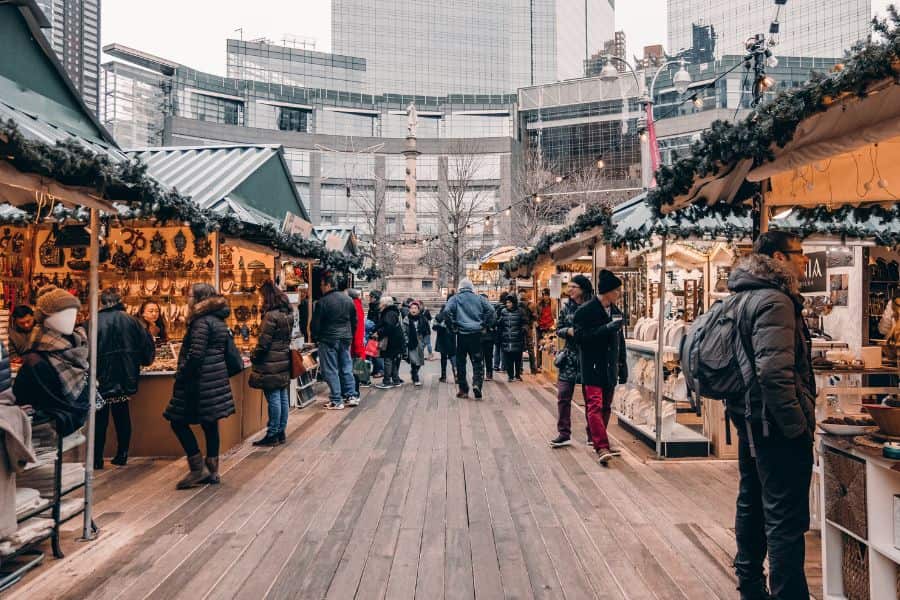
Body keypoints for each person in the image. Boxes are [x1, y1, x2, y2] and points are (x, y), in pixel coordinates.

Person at [726, 231, 815, 600]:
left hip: (749, 418)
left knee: (753, 501)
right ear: (779, 257)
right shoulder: (775, 301)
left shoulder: (744, 295)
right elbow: (774, 373)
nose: (803, 260)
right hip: (774, 423)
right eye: (799, 253)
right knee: (785, 518)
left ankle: (749, 582)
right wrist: (796, 425)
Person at [164, 284, 235, 488]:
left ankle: (197, 469)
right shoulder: (218, 320)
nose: (188, 299)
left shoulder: (201, 322)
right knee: (210, 423)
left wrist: (181, 374)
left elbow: (196, 355)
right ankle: (212, 470)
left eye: (190, 296)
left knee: (176, 421)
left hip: (199, 381)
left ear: (199, 298)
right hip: (214, 379)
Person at [13, 286, 90, 437]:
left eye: (73, 313)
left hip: (68, 427)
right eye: (63, 314)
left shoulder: (76, 346)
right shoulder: (36, 359)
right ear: (44, 318)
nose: (71, 319)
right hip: (49, 430)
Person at [94, 289, 155, 469]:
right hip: (124, 375)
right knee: (122, 414)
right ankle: (122, 454)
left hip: (100, 377)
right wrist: (142, 361)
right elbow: (146, 351)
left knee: (100, 418)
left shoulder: (93, 322)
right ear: (120, 301)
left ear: (102, 303)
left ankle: (97, 458)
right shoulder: (132, 322)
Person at [573, 270, 628, 466]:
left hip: (610, 367)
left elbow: (619, 341)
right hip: (593, 366)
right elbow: (579, 338)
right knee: (594, 406)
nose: (619, 294)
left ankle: (600, 438)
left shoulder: (616, 312)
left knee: (605, 406)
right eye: (616, 291)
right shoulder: (585, 311)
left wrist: (623, 365)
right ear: (608, 292)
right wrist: (605, 330)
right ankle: (601, 445)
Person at [250, 281, 294, 446]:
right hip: (282, 359)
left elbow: (264, 343)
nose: (260, 300)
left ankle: (273, 433)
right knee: (281, 396)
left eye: (262, 297)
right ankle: (280, 431)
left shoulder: (270, 316)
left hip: (270, 362)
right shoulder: (287, 313)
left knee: (274, 397)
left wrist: (254, 356)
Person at [549, 275, 591, 448]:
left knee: (591, 399)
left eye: (574, 286)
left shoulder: (592, 307)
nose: (570, 289)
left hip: (588, 358)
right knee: (563, 396)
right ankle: (564, 433)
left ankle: (592, 434)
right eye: (569, 286)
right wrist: (568, 331)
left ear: (582, 288)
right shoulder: (567, 308)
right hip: (569, 358)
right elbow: (558, 329)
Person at [310, 273, 359, 409]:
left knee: (330, 369)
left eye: (321, 285)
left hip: (328, 339)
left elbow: (316, 324)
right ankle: (351, 395)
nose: (320, 287)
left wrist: (316, 337)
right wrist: (350, 335)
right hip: (345, 338)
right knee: (346, 367)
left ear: (327, 285)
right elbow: (354, 321)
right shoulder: (348, 300)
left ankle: (336, 399)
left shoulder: (323, 302)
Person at [442, 278, 495, 399]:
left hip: (462, 334)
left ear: (460, 288)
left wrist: (452, 326)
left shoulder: (455, 298)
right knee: (477, 361)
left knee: (461, 363)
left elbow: (446, 312)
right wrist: (485, 324)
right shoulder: (479, 298)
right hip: (476, 334)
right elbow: (491, 311)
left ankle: (463, 389)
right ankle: (477, 384)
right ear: (471, 288)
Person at [373, 296, 404, 389]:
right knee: (392, 360)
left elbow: (388, 327)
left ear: (385, 304)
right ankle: (396, 380)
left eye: (381, 303)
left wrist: (378, 332)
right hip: (395, 339)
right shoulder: (392, 312)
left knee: (388, 359)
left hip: (391, 340)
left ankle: (387, 381)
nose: (379, 304)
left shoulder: (389, 313)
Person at [497, 295, 525, 381]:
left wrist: (523, 330)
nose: (507, 304)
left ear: (514, 303)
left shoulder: (520, 311)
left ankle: (517, 375)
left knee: (517, 358)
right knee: (508, 358)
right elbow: (499, 324)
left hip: (517, 338)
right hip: (506, 339)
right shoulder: (503, 311)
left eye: (509, 302)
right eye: (507, 302)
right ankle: (510, 375)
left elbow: (525, 323)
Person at [402, 300, 430, 386]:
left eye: (415, 308)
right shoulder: (406, 319)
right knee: (414, 360)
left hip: (420, 341)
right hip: (411, 342)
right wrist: (407, 340)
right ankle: (415, 377)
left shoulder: (423, 319)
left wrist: (425, 342)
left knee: (419, 361)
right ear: (409, 309)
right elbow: (403, 332)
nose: (413, 310)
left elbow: (427, 331)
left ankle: (414, 372)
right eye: (412, 308)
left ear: (418, 309)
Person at [348, 288, 369, 393]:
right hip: (358, 344)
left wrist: (356, 346)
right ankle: (355, 391)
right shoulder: (358, 305)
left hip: (355, 345)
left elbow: (357, 328)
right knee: (355, 370)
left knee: (354, 370)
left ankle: (354, 392)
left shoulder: (353, 307)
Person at [433, 293, 457, 383]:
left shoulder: (444, 309)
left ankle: (443, 376)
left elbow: (437, 320)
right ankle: (456, 373)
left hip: (443, 336)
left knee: (443, 357)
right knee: (453, 355)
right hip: (451, 336)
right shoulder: (455, 309)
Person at [518, 291, 539, 374]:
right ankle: (533, 369)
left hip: (519, 329)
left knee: (519, 349)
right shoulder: (531, 305)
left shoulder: (517, 306)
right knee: (530, 349)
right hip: (528, 328)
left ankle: (520, 369)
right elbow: (535, 317)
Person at [535, 288, 555, 370]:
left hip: (550, 327)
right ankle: (539, 364)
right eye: (544, 295)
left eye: (547, 295)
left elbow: (554, 314)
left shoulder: (553, 304)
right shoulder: (539, 304)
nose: (545, 297)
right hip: (541, 327)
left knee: (550, 346)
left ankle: (549, 365)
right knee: (540, 346)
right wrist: (536, 322)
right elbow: (536, 315)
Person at [367, 290, 384, 377]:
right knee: (371, 352)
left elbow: (380, 321)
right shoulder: (372, 307)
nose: (369, 298)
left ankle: (381, 370)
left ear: (374, 298)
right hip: (372, 331)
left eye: (370, 296)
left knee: (377, 353)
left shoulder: (378, 308)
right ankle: (375, 370)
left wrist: (377, 331)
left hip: (376, 332)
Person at [479, 294, 496, 381]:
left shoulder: (491, 311)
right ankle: (485, 374)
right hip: (484, 337)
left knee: (487, 357)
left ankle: (488, 374)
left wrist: (486, 327)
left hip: (487, 337)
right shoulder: (482, 311)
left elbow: (494, 322)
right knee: (483, 357)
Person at [492, 292, 507, 373]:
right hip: (503, 330)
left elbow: (494, 319)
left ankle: (495, 365)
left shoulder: (496, 306)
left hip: (497, 331)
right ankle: (503, 367)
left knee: (497, 349)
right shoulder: (505, 308)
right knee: (502, 349)